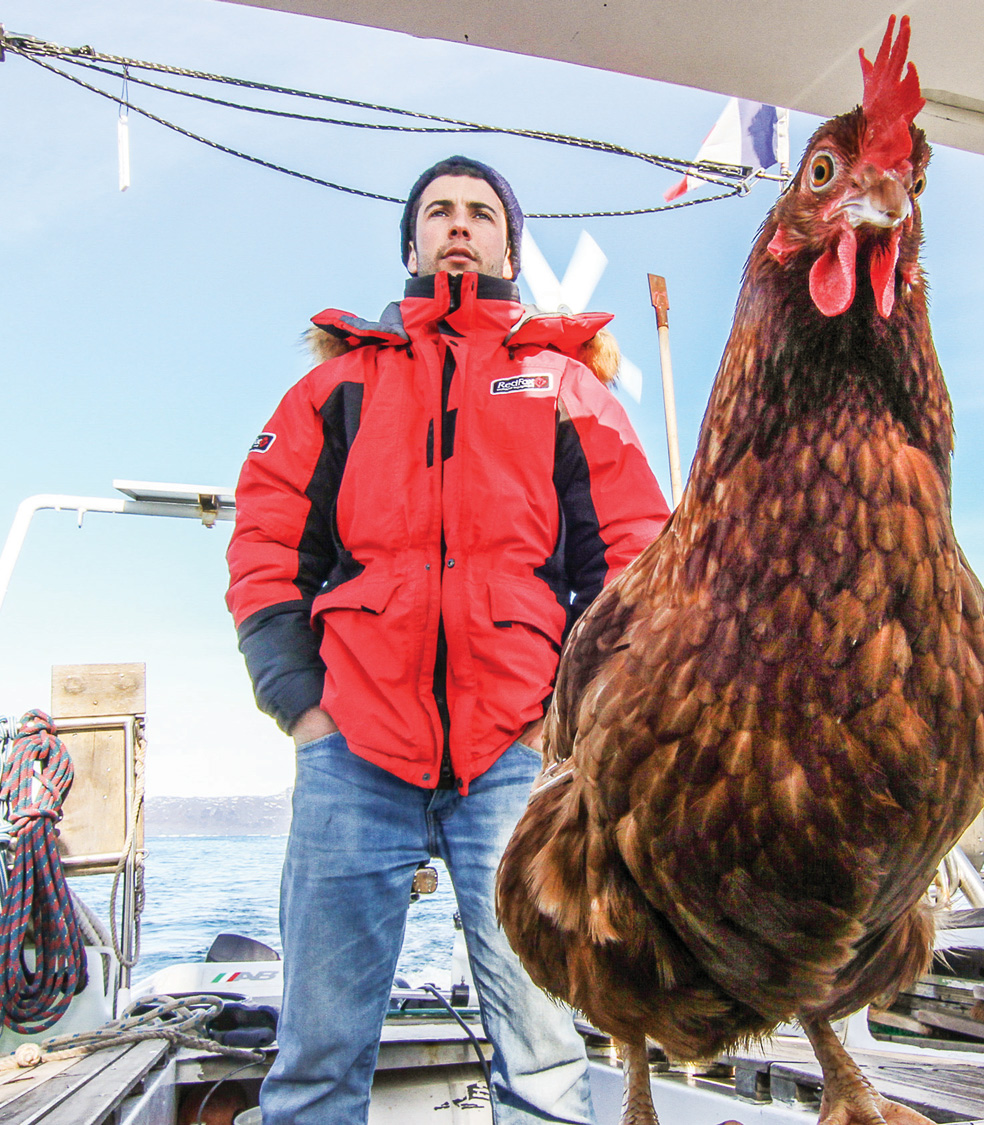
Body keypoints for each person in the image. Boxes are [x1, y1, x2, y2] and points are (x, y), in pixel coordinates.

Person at [227, 155, 670, 1125]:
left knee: (545, 1057)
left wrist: (567, 720)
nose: (458, 224)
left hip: (517, 754)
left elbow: (633, 563)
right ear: (411, 242)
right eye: (437, 212)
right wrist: (301, 708)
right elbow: (265, 544)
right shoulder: (337, 386)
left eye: (479, 213)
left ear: (510, 244)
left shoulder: (562, 384)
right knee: (314, 1060)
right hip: (351, 748)